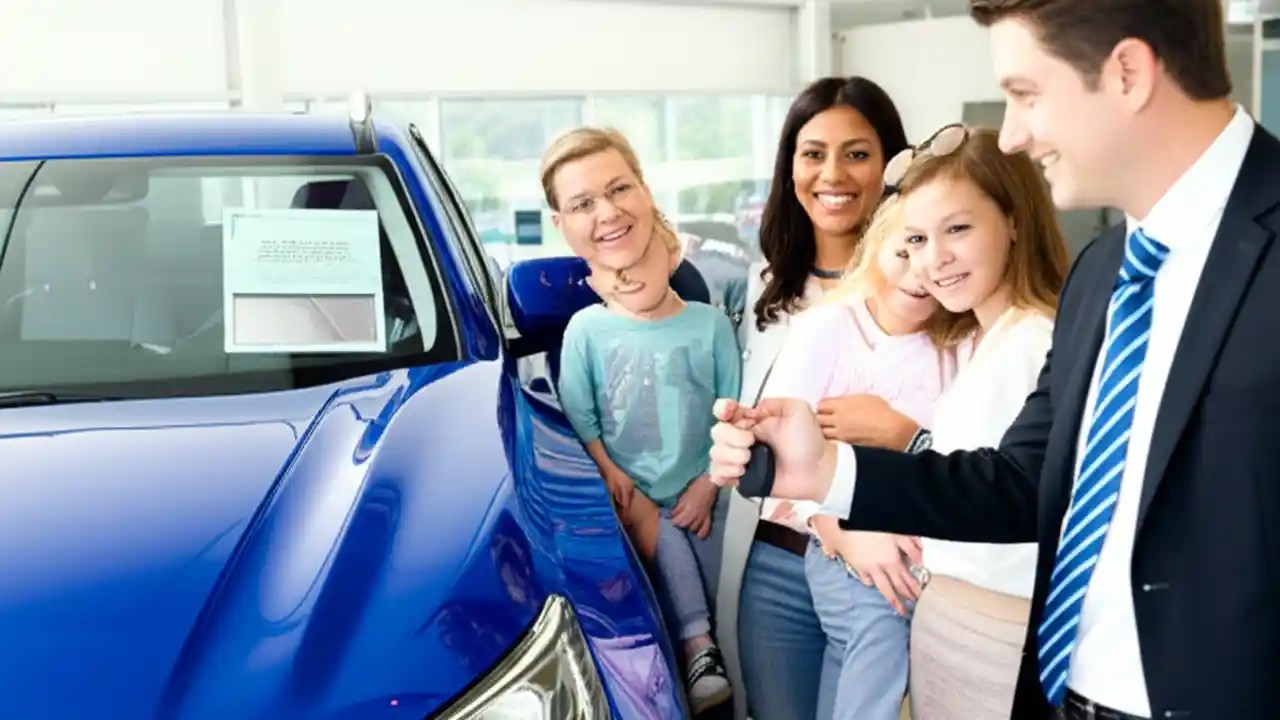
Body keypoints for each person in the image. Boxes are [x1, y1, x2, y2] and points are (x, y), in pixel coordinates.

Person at [708, 1, 1280, 718]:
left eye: (1025, 94)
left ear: (1128, 73)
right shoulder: (1103, 272)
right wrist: (822, 470)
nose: (1012, 134)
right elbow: (1021, 482)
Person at [716, 75, 909, 720]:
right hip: (772, 565)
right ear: (789, 166)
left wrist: (902, 430)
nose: (834, 173)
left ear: (892, 166)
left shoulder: (925, 285)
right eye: (813, 153)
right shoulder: (762, 288)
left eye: (857, 153)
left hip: (876, 564)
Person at [544, 126, 740, 714]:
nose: (606, 214)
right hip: (628, 505)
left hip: (710, 496)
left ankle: (705, 648)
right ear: (563, 227)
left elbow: (733, 406)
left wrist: (708, 484)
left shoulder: (708, 321)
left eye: (618, 189)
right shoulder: (586, 330)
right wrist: (609, 475)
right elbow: (582, 414)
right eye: (582, 203)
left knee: (725, 628)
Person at [761, 193, 963, 720]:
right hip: (844, 546)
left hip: (926, 552)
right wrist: (840, 530)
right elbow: (775, 460)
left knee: (857, 672)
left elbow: (967, 462)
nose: (919, 273)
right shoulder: (828, 328)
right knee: (876, 638)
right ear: (877, 245)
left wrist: (903, 432)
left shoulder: (960, 344)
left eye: (936, 254)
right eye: (907, 247)